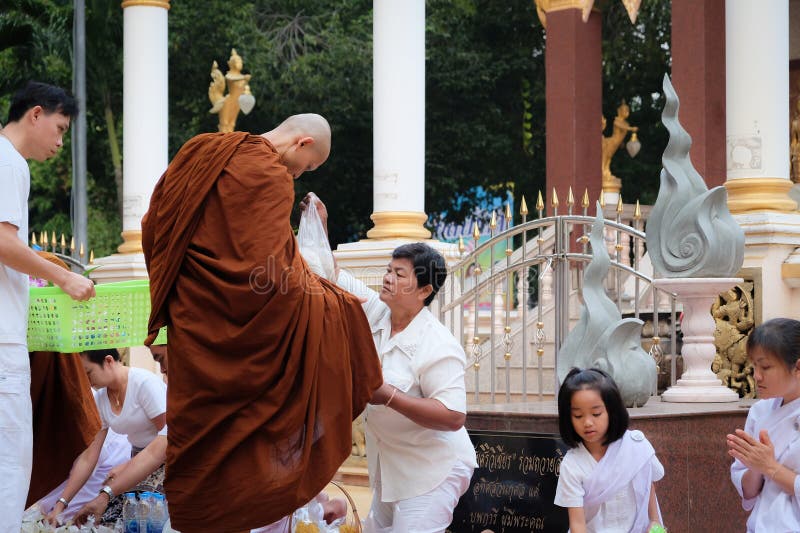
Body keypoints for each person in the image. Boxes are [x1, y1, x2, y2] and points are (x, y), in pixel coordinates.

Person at [141, 115, 383, 532]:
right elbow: (270, 276)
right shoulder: (268, 172)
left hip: (194, 324)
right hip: (240, 335)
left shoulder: (199, 150)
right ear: (302, 142)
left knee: (200, 436)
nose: (298, 173)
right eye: (306, 166)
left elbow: (154, 229)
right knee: (342, 319)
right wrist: (331, 297)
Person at [303, 194, 477, 533]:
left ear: (424, 289)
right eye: (387, 270)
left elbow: (454, 415)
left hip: (433, 470)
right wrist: (319, 227)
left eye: (398, 274)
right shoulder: (378, 311)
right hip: (392, 467)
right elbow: (333, 275)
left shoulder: (438, 344)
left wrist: (389, 396)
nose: (387, 278)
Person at [0, 81, 95, 533]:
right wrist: (64, 276)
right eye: (59, 129)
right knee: (7, 468)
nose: (60, 142)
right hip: (1, 345)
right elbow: (2, 241)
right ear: (35, 114)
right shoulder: (8, 160)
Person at [45, 348, 168, 526]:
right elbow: (89, 457)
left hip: (165, 461)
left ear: (108, 361)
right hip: (137, 461)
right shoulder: (101, 398)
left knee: (140, 521)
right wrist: (60, 504)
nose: (87, 381)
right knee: (105, 521)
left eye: (88, 373)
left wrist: (126, 467)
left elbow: (167, 439)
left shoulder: (144, 384)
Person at [554, 367, 664, 533]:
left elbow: (647, 486)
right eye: (578, 416)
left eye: (596, 413)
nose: (587, 422)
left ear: (612, 412)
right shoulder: (572, 464)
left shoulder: (635, 446)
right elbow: (577, 524)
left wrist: (655, 522)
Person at [727, 318, 800, 532]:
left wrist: (769, 466)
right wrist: (756, 466)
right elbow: (748, 491)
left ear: (797, 367)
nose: (757, 376)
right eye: (754, 366)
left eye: (766, 367)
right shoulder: (760, 412)